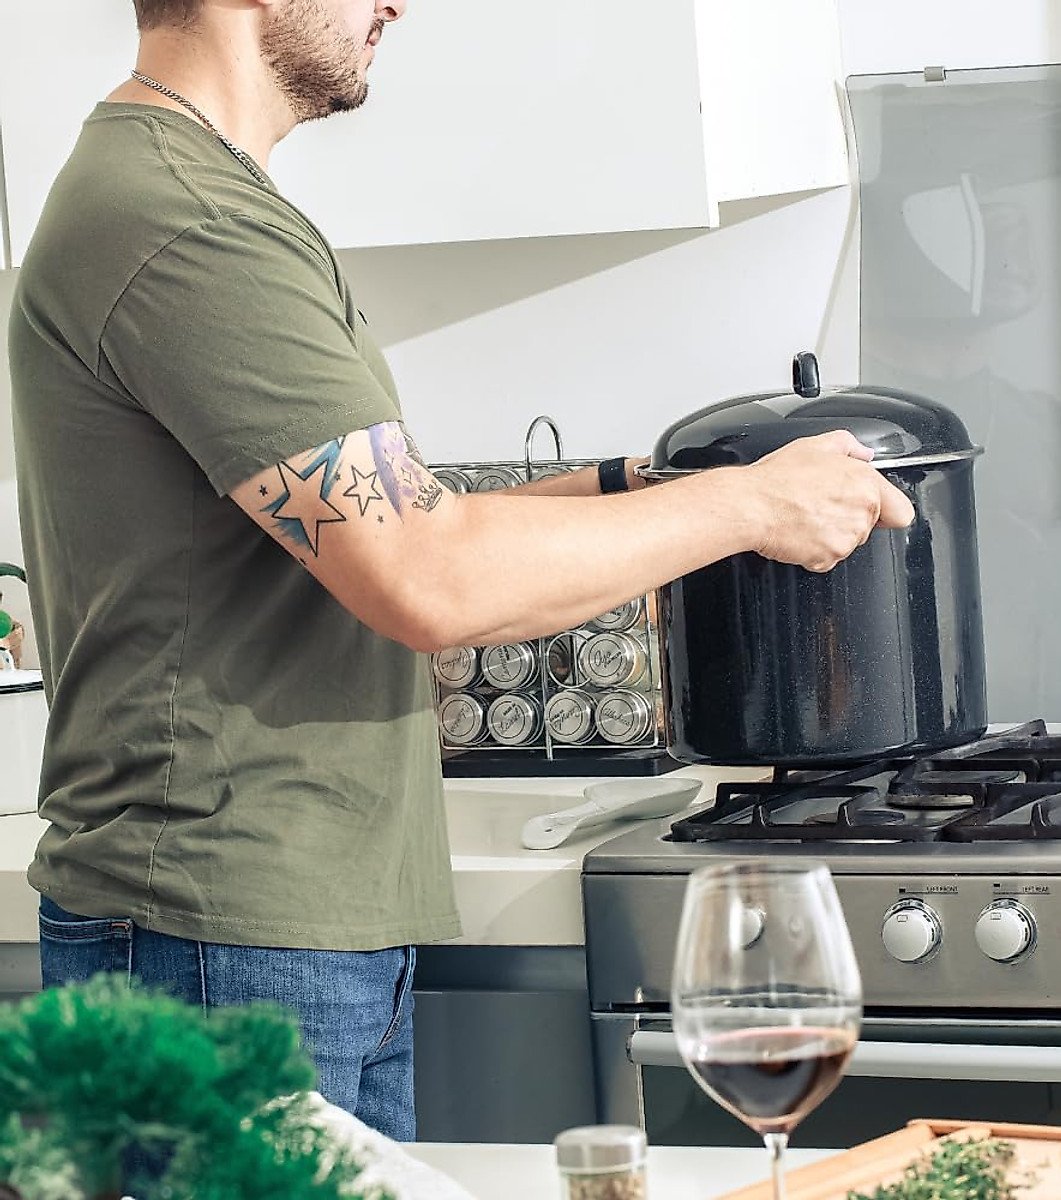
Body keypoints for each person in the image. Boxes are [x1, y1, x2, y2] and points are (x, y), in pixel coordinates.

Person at [6, 0, 914, 1142]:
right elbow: (432, 579)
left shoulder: (189, 196)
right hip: (220, 937)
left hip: (270, 933)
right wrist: (746, 505)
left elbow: (407, 525)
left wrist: (640, 481)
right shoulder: (186, 224)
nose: (395, 3)